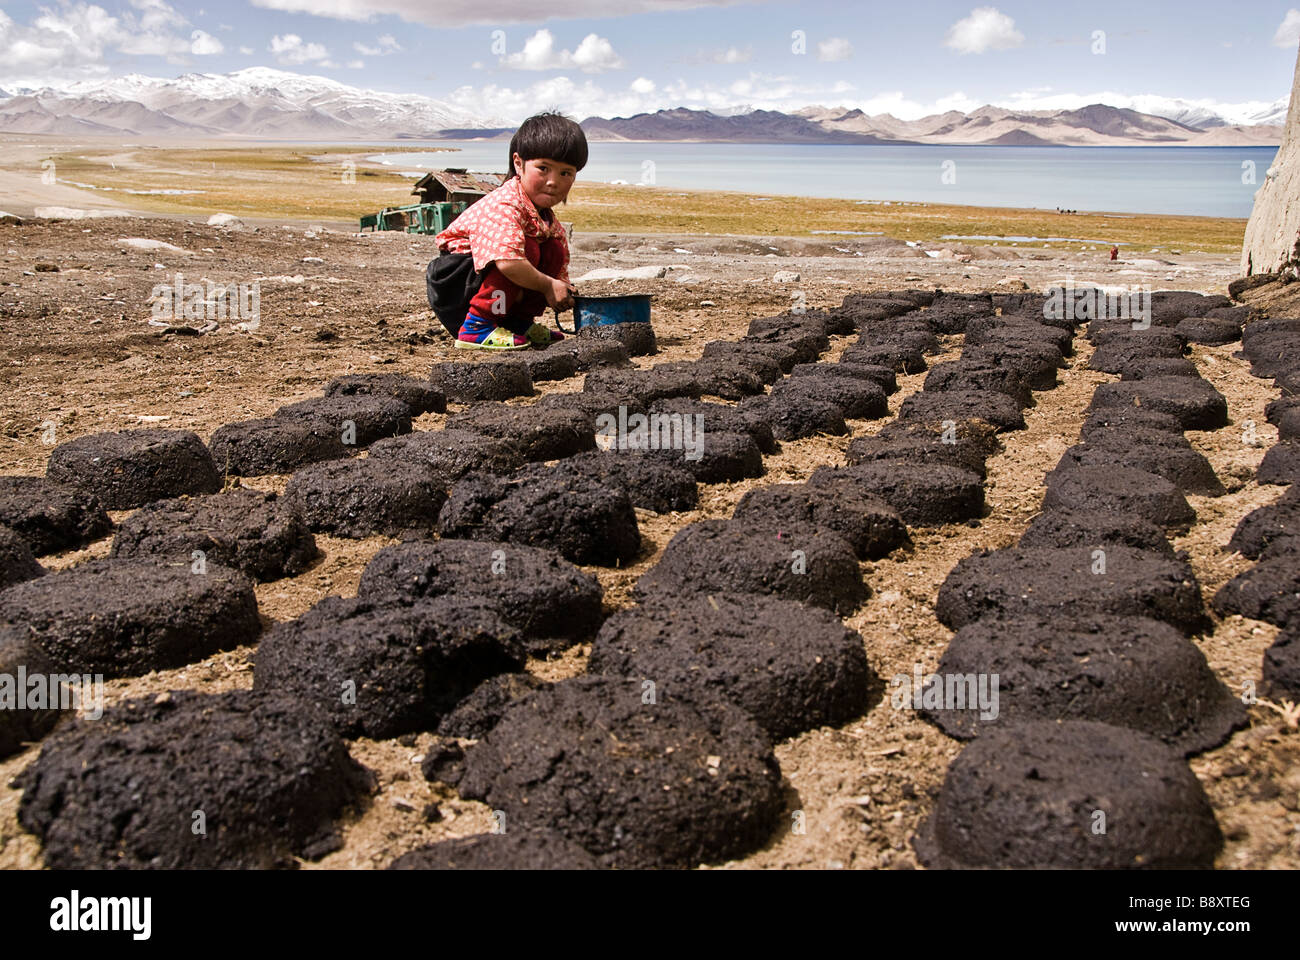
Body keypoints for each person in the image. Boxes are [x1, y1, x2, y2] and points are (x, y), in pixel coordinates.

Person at [433, 112, 585, 350]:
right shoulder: (504, 204)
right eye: (543, 168)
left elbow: (560, 260)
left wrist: (562, 286)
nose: (553, 181)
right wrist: (547, 286)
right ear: (518, 163)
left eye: (565, 173)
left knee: (552, 249)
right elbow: (508, 262)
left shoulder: (545, 217)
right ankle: (477, 326)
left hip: (484, 283)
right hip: (456, 284)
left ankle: (517, 324)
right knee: (527, 250)